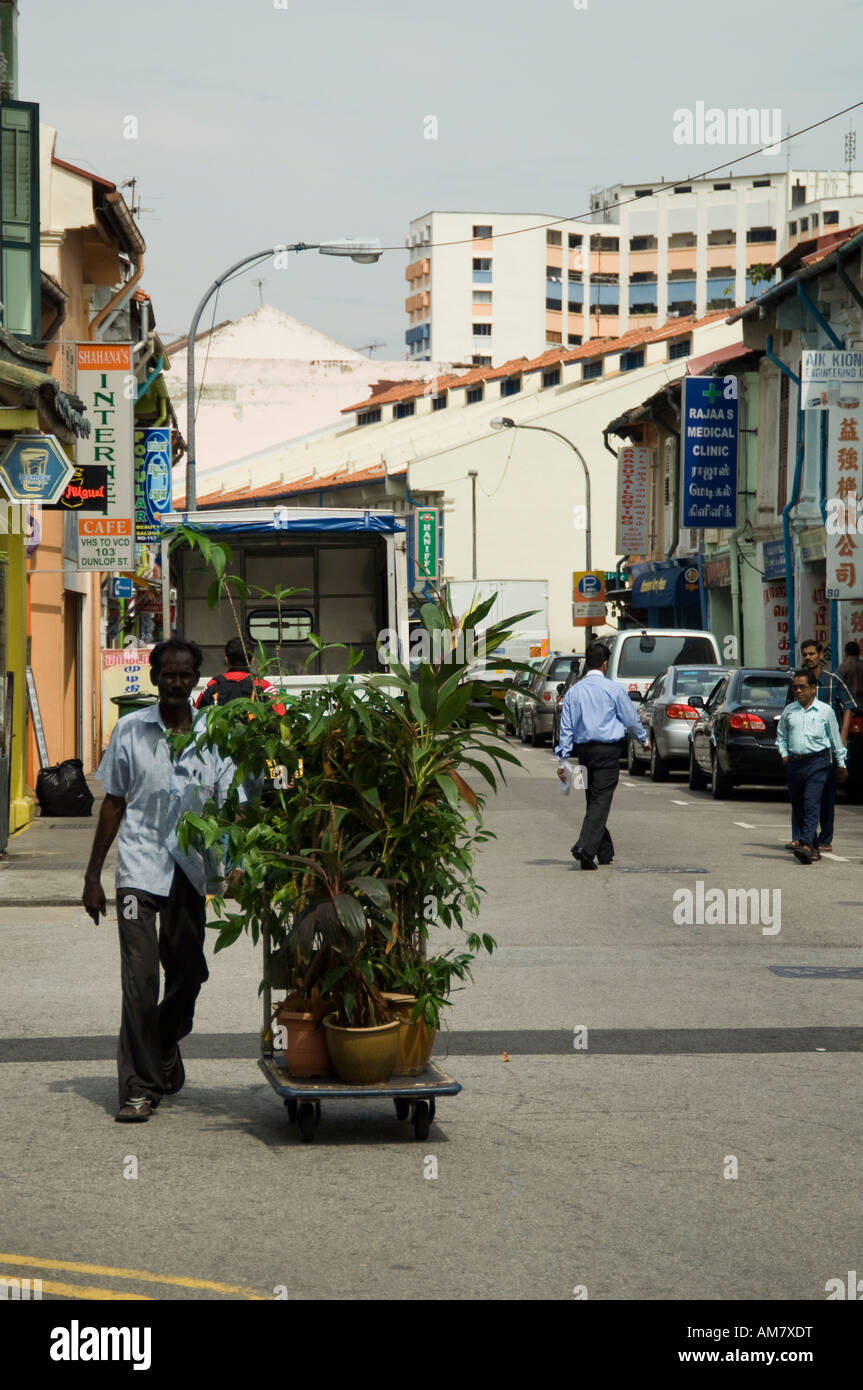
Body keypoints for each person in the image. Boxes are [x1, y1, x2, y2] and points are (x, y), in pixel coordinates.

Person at [83, 638, 242, 1123]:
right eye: (167, 674)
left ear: (197, 680)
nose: (176, 681)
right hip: (138, 870)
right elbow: (113, 803)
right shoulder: (130, 730)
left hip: (190, 873)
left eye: (184, 674)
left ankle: (164, 1041)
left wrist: (233, 862)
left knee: (189, 973)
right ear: (154, 679)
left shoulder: (214, 736)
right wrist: (93, 875)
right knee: (140, 978)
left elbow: (229, 805)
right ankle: (139, 1087)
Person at [554, 640, 648, 869]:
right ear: (605, 664)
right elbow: (630, 718)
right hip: (608, 752)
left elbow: (566, 727)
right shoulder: (613, 689)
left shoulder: (574, 692)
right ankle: (585, 849)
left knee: (593, 800)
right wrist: (644, 739)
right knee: (600, 800)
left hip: (584, 753)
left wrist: (563, 758)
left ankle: (604, 851)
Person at [783, 638, 854, 854]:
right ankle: (801, 838)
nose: (808, 658)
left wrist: (842, 734)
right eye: (805, 654)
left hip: (828, 750)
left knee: (825, 795)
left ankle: (824, 838)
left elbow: (848, 706)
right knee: (802, 796)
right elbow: (789, 711)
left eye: (812, 654)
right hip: (803, 750)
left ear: (820, 655)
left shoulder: (834, 680)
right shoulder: (796, 682)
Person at [776, 668, 847, 865]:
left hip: (818, 762)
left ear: (814, 688)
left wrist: (841, 764)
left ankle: (806, 844)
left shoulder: (825, 711)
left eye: (803, 687)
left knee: (811, 801)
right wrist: (784, 756)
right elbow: (781, 736)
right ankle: (814, 847)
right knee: (798, 805)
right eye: (795, 688)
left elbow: (835, 740)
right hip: (795, 763)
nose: (798, 691)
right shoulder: (790, 711)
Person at [196, 636, 285, 712]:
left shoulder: (213, 684)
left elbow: (197, 714)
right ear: (252, 660)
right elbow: (280, 715)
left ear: (227, 660)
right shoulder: (263, 685)